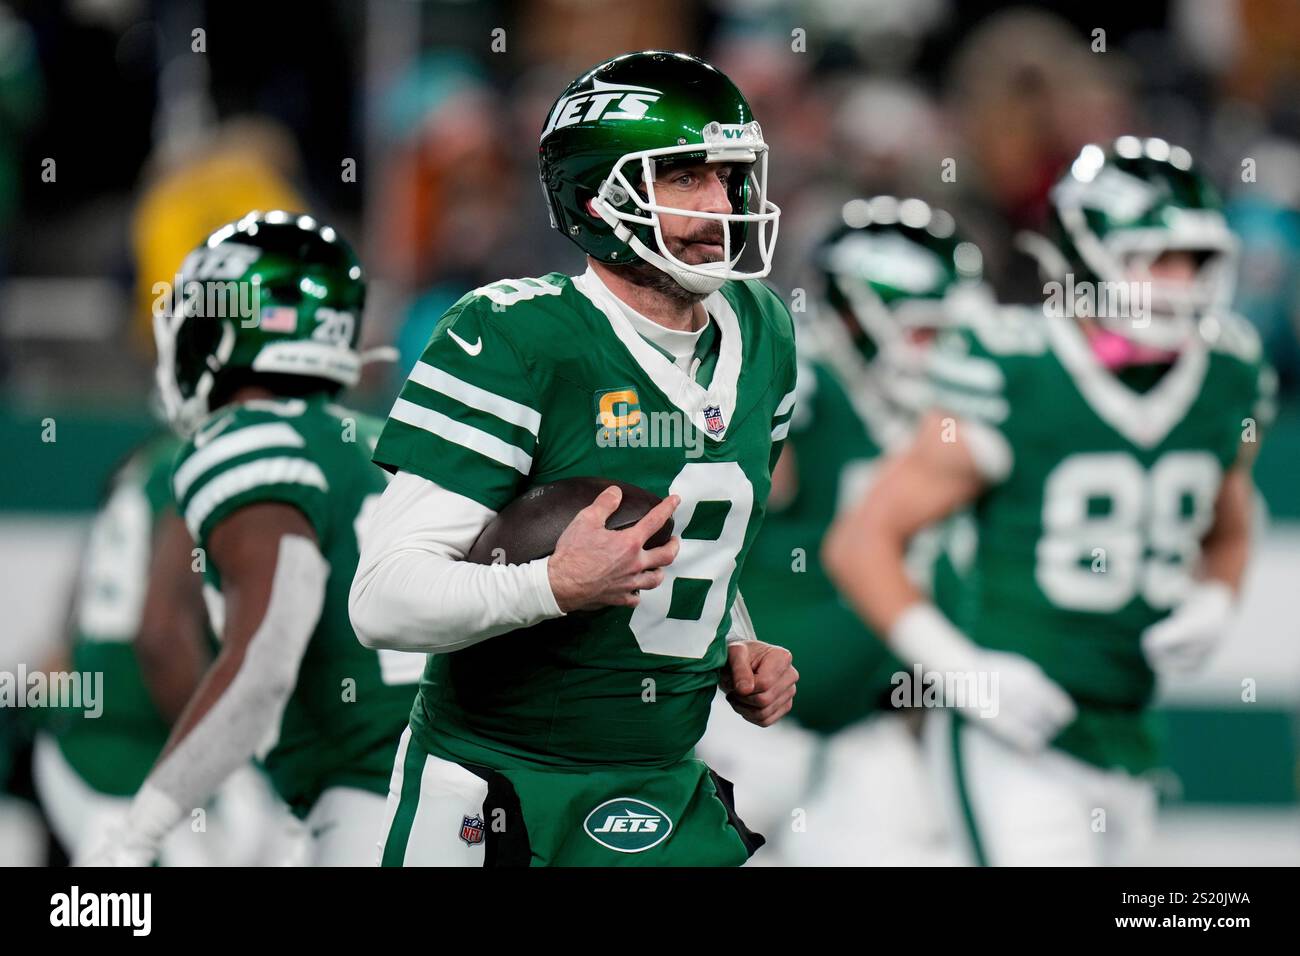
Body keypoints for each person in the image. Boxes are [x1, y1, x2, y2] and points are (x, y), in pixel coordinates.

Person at [349, 50, 798, 867]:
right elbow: (382, 602)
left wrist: (735, 639)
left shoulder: (766, 332)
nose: (724, 203)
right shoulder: (517, 339)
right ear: (601, 196)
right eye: (688, 178)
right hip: (496, 788)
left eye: (731, 177)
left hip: (662, 785)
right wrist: (551, 585)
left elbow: (697, 533)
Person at [825, 138, 1274, 866]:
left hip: (1128, 728)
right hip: (1015, 737)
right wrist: (960, 670)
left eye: (1194, 262)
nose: (1180, 284)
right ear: (1089, 255)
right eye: (1157, 259)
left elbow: (1229, 524)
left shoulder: (1227, 373)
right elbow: (862, 541)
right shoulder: (1016, 369)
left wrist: (1218, 598)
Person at [80, 211, 421, 866]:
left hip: (368, 802)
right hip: (455, 794)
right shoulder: (378, 443)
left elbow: (263, 661)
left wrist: (140, 832)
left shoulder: (248, 440)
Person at [698, 198, 981, 865]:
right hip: (738, 712)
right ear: (855, 316)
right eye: (924, 332)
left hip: (868, 723)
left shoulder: (963, 412)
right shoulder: (793, 380)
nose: (946, 354)